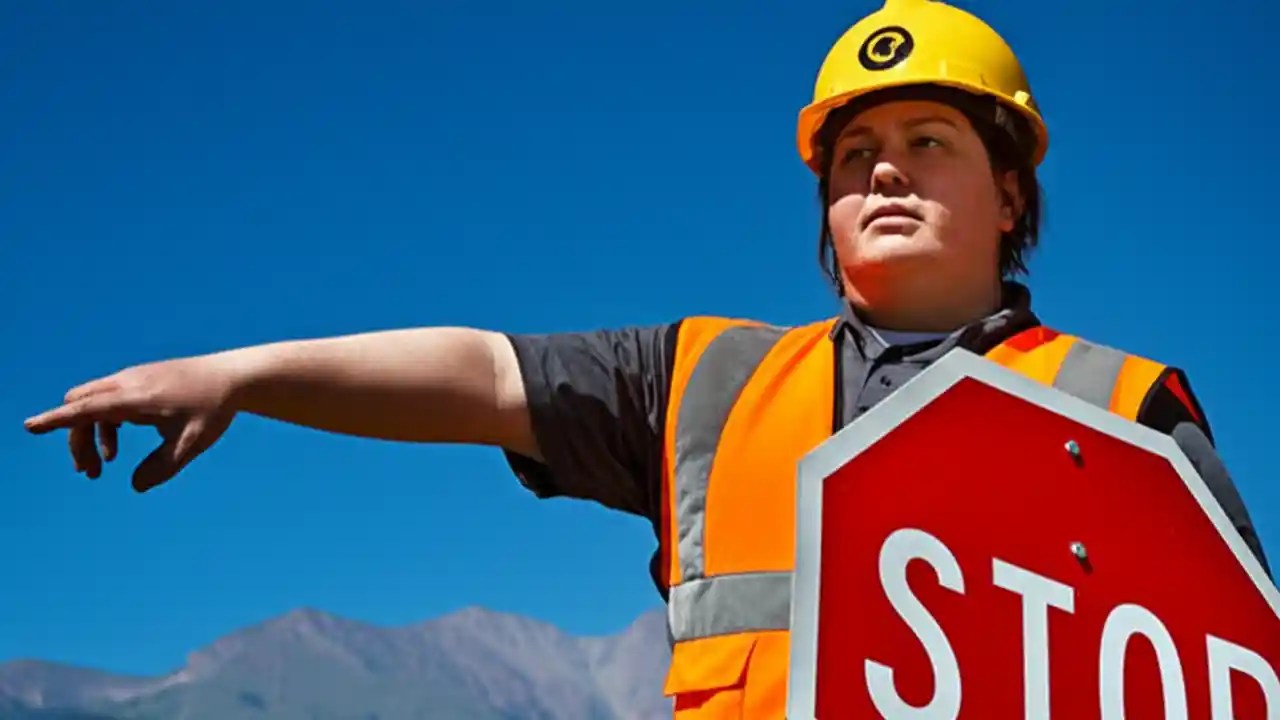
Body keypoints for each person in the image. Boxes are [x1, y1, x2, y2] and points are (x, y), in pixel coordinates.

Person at [23, 0, 1270, 717]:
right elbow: (480, 375)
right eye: (851, 155)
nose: (881, 169)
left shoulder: (1119, 412)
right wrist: (242, 373)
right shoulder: (707, 385)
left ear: (1010, 193)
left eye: (927, 139)